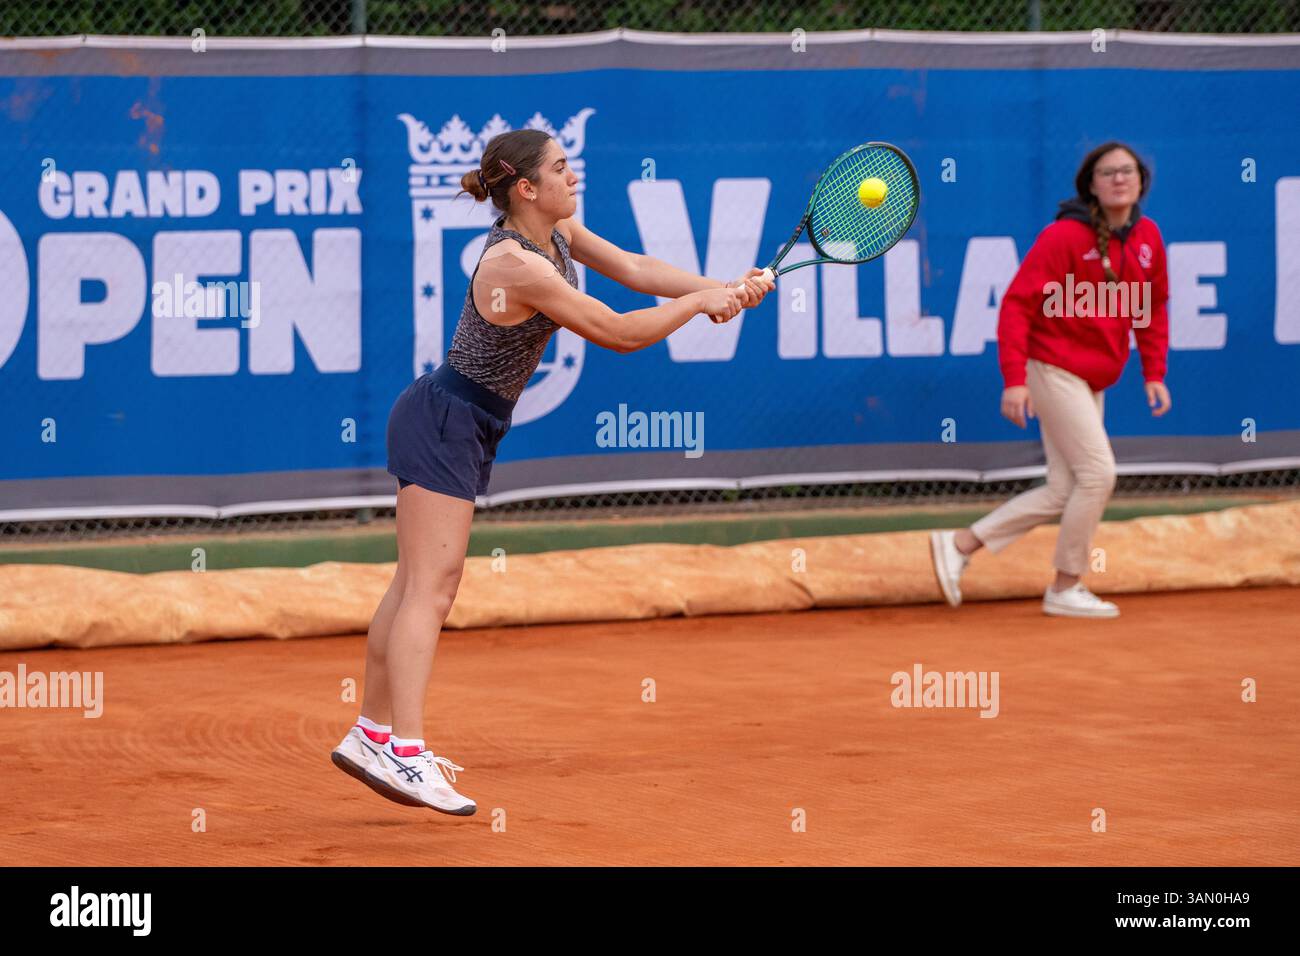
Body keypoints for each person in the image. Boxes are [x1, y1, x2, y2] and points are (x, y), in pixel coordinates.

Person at [331, 128, 775, 814]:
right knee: (432, 589)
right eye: (563, 169)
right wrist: (697, 307)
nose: (576, 178)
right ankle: (406, 754)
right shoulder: (516, 265)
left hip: (460, 420)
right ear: (526, 188)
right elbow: (618, 332)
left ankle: (372, 732)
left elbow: (633, 266)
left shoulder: (558, 232)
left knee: (414, 583)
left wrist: (724, 286)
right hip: (445, 420)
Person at [930, 141, 1171, 619]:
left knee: (1065, 489)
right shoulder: (1063, 238)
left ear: (1141, 181)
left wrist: (1153, 371)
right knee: (1099, 474)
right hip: (1052, 367)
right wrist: (1015, 380)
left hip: (1093, 378)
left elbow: (1154, 306)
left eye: (1128, 171)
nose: (1119, 179)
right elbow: (1018, 304)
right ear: (1092, 187)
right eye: (1108, 173)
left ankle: (958, 544)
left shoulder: (1148, 239)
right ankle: (1066, 584)